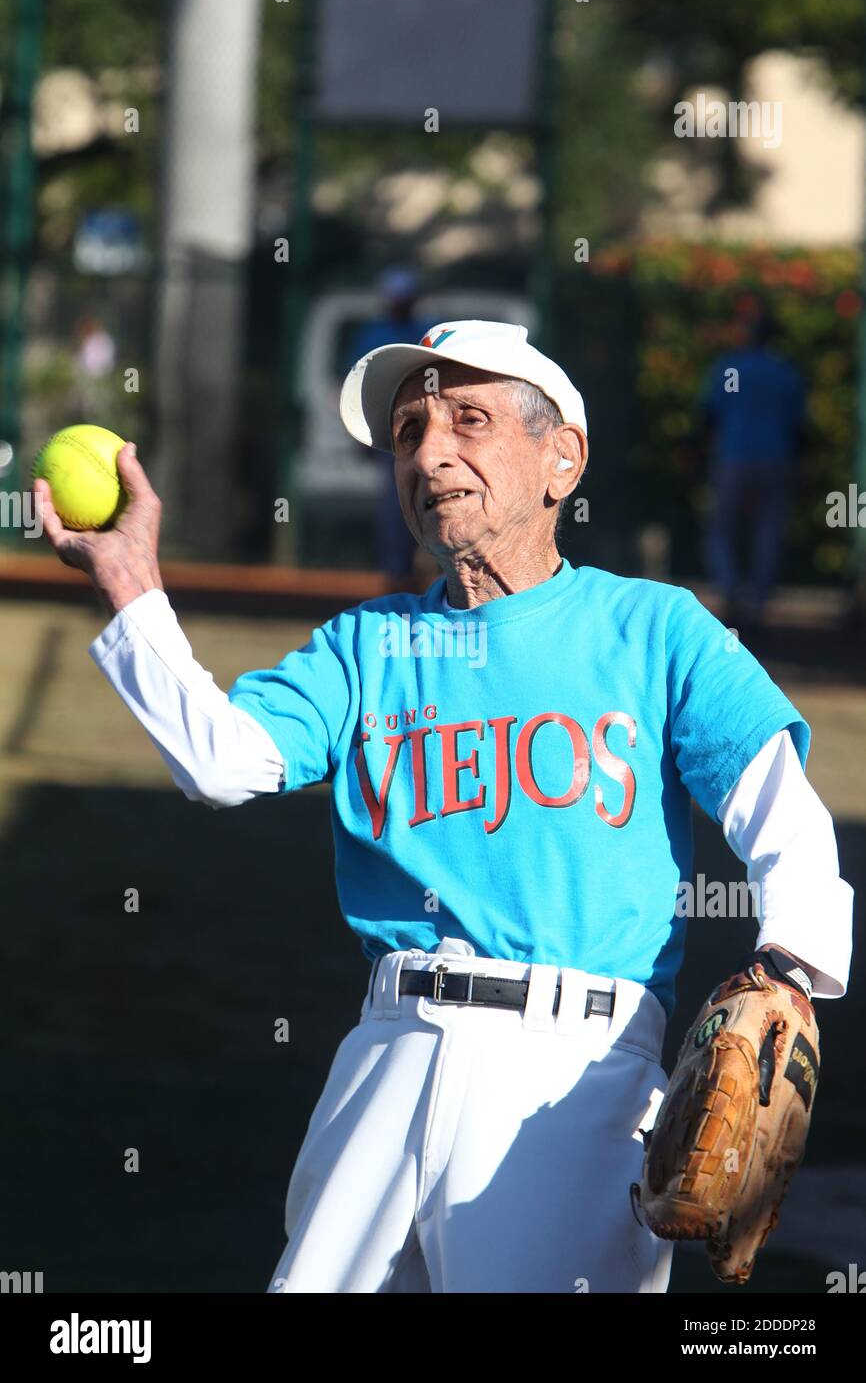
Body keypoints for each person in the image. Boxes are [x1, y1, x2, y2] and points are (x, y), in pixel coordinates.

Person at [34, 319, 852, 1293]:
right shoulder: (362, 645)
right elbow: (219, 759)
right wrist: (129, 581)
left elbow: (780, 812)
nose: (429, 451)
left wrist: (788, 973)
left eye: (468, 418)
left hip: (572, 1081)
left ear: (561, 459)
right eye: (408, 431)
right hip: (386, 1054)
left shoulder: (651, 629)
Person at [700, 309, 807, 624]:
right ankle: (759, 601)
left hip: (734, 458)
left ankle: (731, 589)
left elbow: (708, 417)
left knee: (722, 529)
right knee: (768, 530)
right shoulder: (786, 371)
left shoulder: (729, 366)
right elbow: (800, 427)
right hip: (776, 458)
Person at [343, 267, 436, 578]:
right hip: (391, 432)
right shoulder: (373, 334)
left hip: (424, 431)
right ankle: (397, 571)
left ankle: (431, 564)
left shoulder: (424, 331)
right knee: (397, 502)